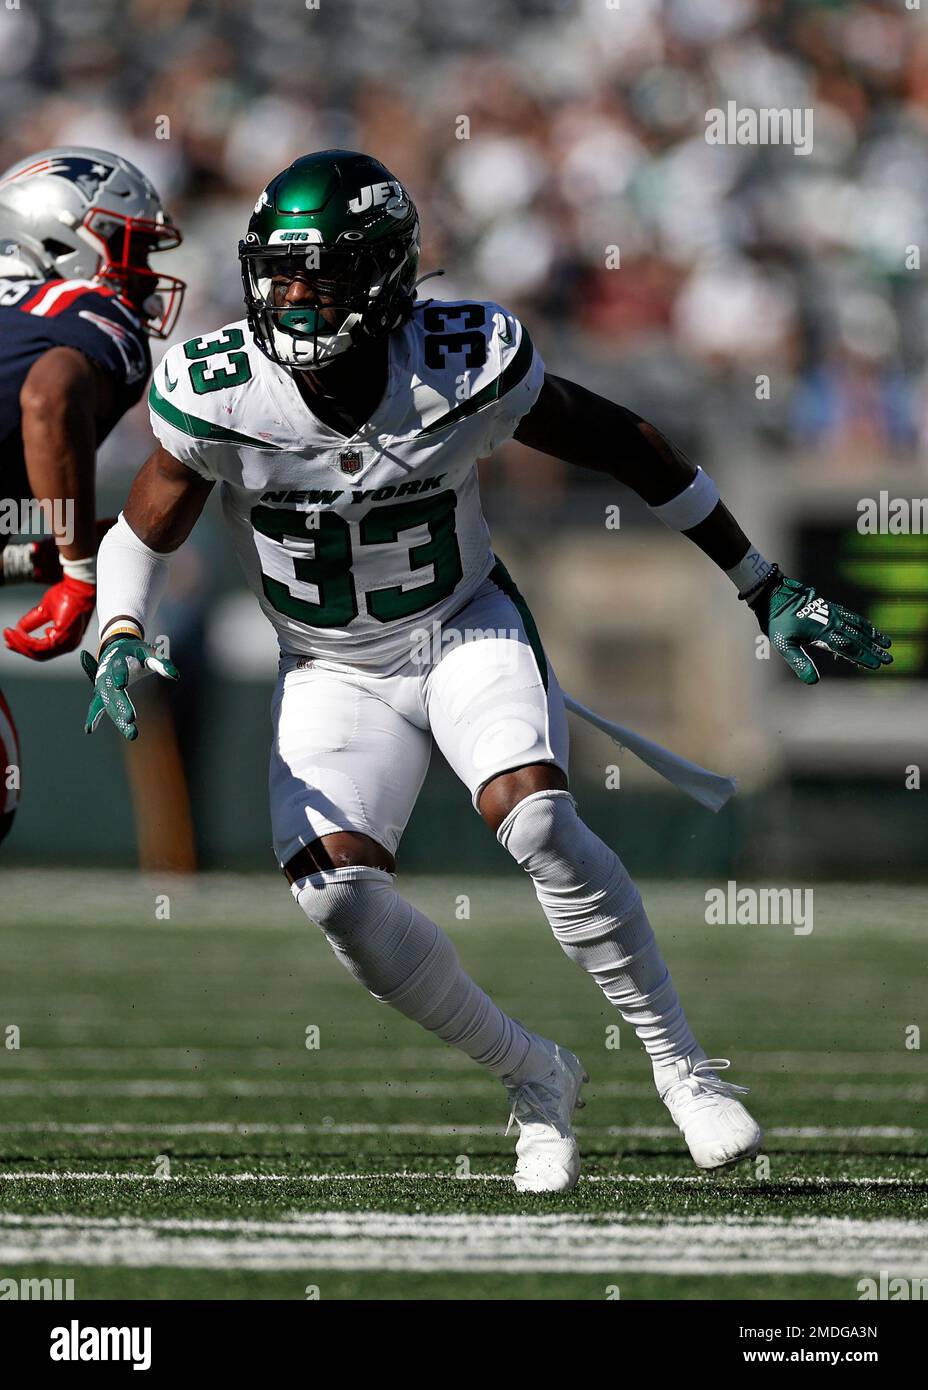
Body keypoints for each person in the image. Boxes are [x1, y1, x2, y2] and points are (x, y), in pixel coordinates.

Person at [83, 151, 891, 1191]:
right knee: (336, 897)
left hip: (465, 622)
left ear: (381, 277)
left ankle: (683, 1066)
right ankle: (535, 1075)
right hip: (330, 665)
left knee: (539, 818)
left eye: (315, 272)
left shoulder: (463, 358)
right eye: (275, 271)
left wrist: (757, 579)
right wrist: (117, 627)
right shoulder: (223, 391)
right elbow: (143, 528)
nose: (288, 295)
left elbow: (628, 443)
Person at [0, 146, 184, 846]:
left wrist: (35, 558)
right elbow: (50, 397)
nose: (143, 274)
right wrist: (81, 568)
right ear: (58, 238)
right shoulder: (83, 310)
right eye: (127, 247)